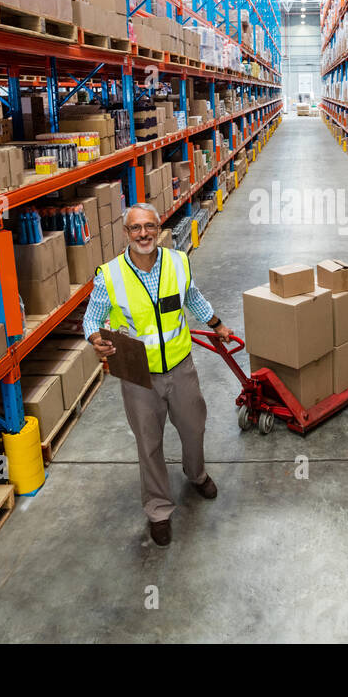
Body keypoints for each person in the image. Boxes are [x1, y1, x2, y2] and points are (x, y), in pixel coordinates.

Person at [83, 202, 233, 547]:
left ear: (159, 228)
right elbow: (92, 318)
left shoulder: (178, 262)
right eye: (135, 228)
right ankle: (158, 510)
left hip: (180, 365)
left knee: (194, 427)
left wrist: (218, 324)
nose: (144, 234)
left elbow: (192, 297)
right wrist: (95, 338)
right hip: (139, 375)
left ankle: (196, 475)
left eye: (149, 226)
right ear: (126, 233)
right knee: (148, 443)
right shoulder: (109, 275)